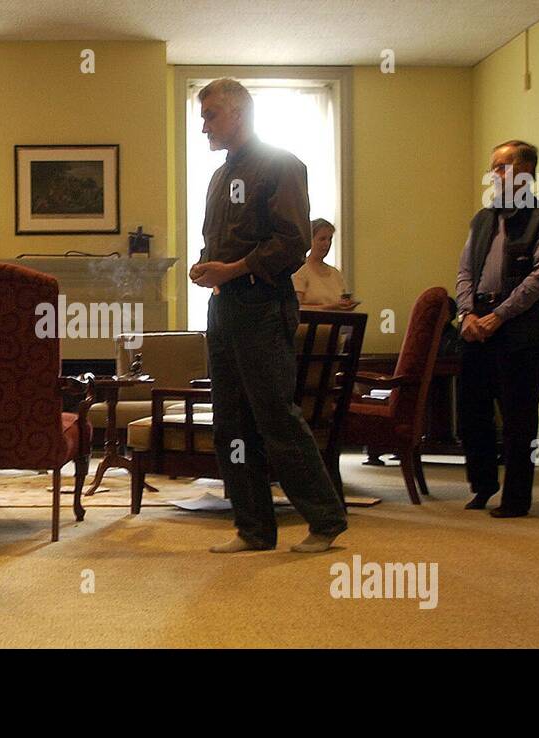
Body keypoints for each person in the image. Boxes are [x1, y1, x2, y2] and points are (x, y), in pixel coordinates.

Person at [188, 78, 349, 554]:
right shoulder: (220, 177)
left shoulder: (282, 165)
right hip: (224, 307)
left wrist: (233, 269)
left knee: (275, 417)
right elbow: (224, 242)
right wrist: (208, 267)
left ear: (237, 113)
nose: (204, 127)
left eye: (211, 115)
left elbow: (291, 241)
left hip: (262, 304)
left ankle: (325, 520)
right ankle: (254, 529)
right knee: (229, 422)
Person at [456, 139, 539, 518]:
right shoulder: (482, 219)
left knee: (519, 417)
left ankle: (516, 499)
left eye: (501, 166)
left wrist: (499, 316)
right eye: (493, 167)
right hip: (477, 326)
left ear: (525, 171)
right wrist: (467, 313)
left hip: (521, 331)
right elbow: (466, 270)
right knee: (472, 412)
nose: (494, 173)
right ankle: (483, 485)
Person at [292, 218, 357, 310]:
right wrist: (330, 307)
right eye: (322, 239)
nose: (327, 243)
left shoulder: (336, 273)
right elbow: (296, 308)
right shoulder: (300, 270)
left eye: (329, 239)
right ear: (310, 240)